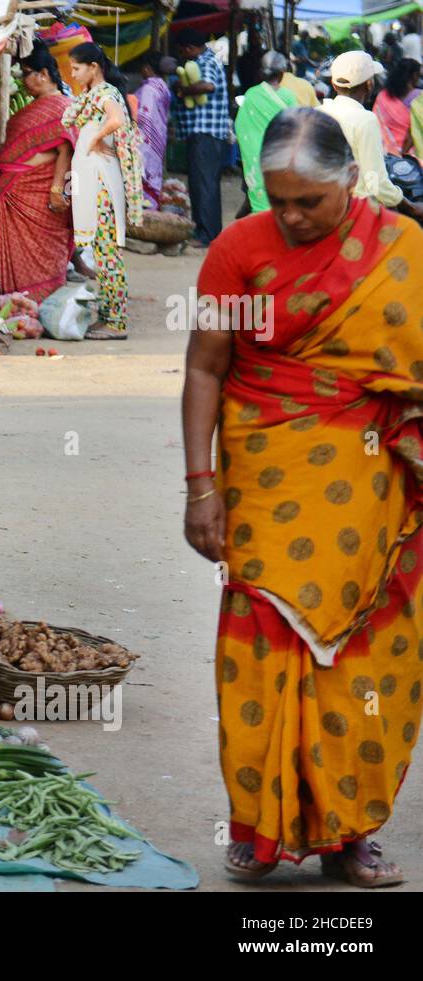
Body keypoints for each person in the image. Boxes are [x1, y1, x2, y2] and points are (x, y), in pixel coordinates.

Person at [183, 108, 423, 888]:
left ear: (350, 182)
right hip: (266, 468)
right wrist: (199, 486)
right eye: (275, 199)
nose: (288, 217)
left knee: (362, 650)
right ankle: (257, 828)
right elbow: (205, 369)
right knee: (262, 640)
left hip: (369, 480)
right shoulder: (235, 249)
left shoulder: (404, 250)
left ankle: (349, 833)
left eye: (306, 203)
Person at [63, 43, 143, 341]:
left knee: (108, 254)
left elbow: (117, 120)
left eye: (76, 68)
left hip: (101, 185)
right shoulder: (92, 95)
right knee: (103, 251)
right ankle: (110, 317)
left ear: (93, 67)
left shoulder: (105, 94)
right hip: (96, 181)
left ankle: (116, 323)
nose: (72, 74)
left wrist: (96, 138)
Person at [0, 47, 75, 302]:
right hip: (14, 191)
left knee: (43, 250)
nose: (23, 81)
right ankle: (17, 304)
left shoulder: (61, 106)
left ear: (44, 74)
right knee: (16, 252)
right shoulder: (37, 107)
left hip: (36, 194)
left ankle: (40, 302)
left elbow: (66, 150)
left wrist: (57, 190)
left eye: (27, 74)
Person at [319, 51, 420, 215]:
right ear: (369, 84)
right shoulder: (365, 120)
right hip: (357, 211)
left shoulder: (319, 113)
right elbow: (376, 183)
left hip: (327, 208)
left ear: (334, 85)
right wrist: (410, 206)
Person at [174, 29, 232, 247]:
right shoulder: (205, 61)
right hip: (204, 133)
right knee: (202, 183)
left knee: (204, 184)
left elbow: (208, 86)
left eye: (182, 51)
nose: (182, 55)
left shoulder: (204, 62)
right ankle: (206, 231)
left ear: (189, 48)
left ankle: (206, 235)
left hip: (205, 132)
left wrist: (183, 91)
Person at [236, 52, 299, 213]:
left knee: (260, 207)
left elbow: (240, 126)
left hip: (256, 161)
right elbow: (297, 127)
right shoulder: (288, 96)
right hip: (281, 160)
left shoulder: (251, 94)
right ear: (282, 73)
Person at [135, 54, 175, 209]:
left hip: (147, 138)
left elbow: (144, 116)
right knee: (155, 172)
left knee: (145, 173)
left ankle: (146, 211)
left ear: (147, 68)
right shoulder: (163, 87)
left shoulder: (148, 89)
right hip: (159, 136)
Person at [374, 57, 421, 155]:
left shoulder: (383, 96)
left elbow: (376, 123)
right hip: (413, 157)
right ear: (414, 76)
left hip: (385, 153)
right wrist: (402, 153)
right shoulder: (419, 97)